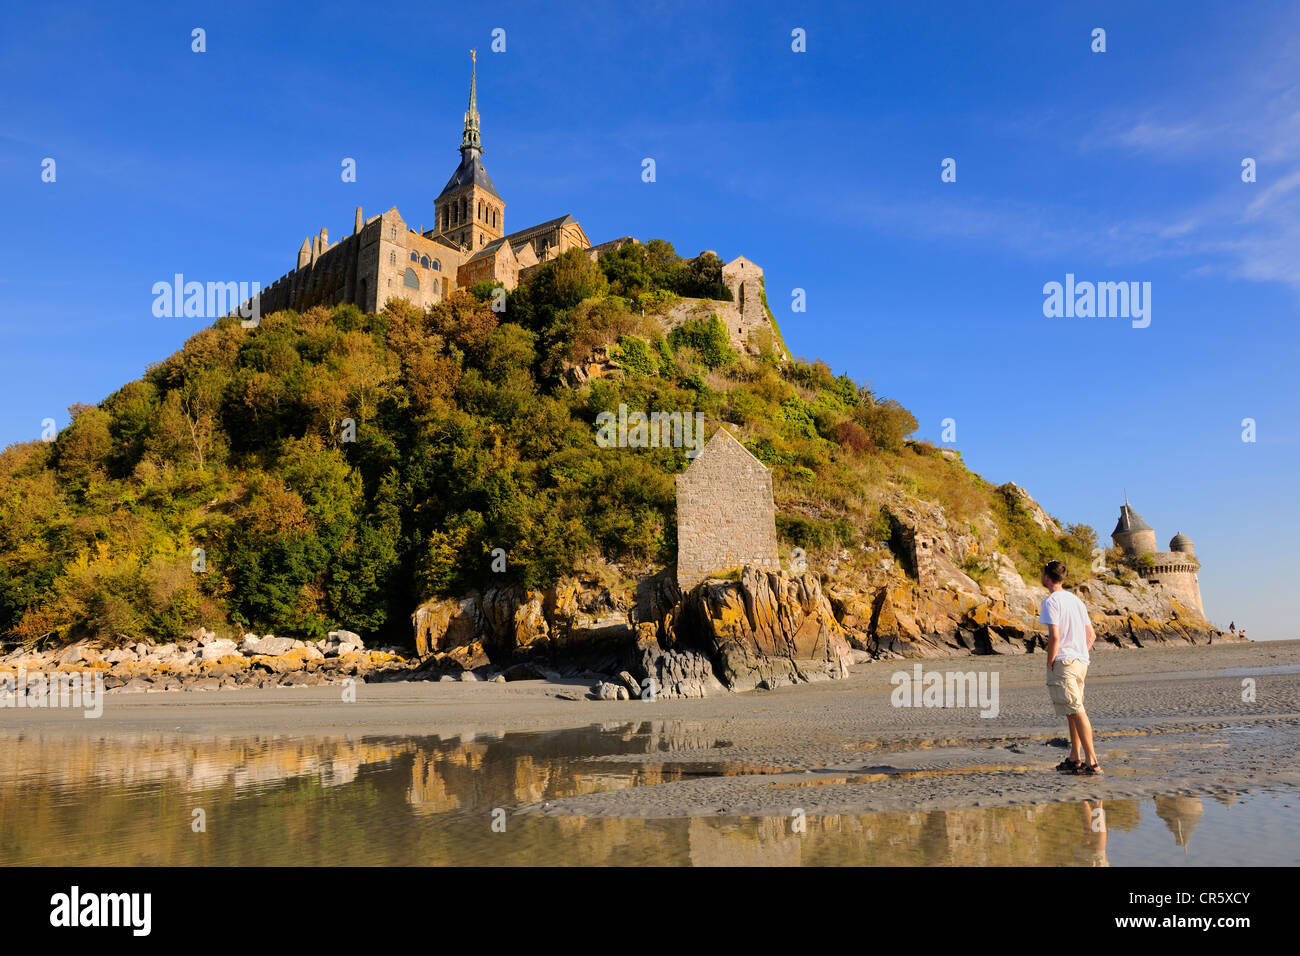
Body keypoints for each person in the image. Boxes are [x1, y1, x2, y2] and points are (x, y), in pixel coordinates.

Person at [1040, 560, 1102, 774]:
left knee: (1076, 710)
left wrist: (1051, 660)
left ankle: (1092, 761)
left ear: (1047, 577)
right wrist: (1081, 652)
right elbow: (1091, 635)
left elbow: (1055, 636)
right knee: (1071, 711)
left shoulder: (1051, 601)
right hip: (1080, 662)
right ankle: (1075, 756)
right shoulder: (1076, 601)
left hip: (1065, 662)